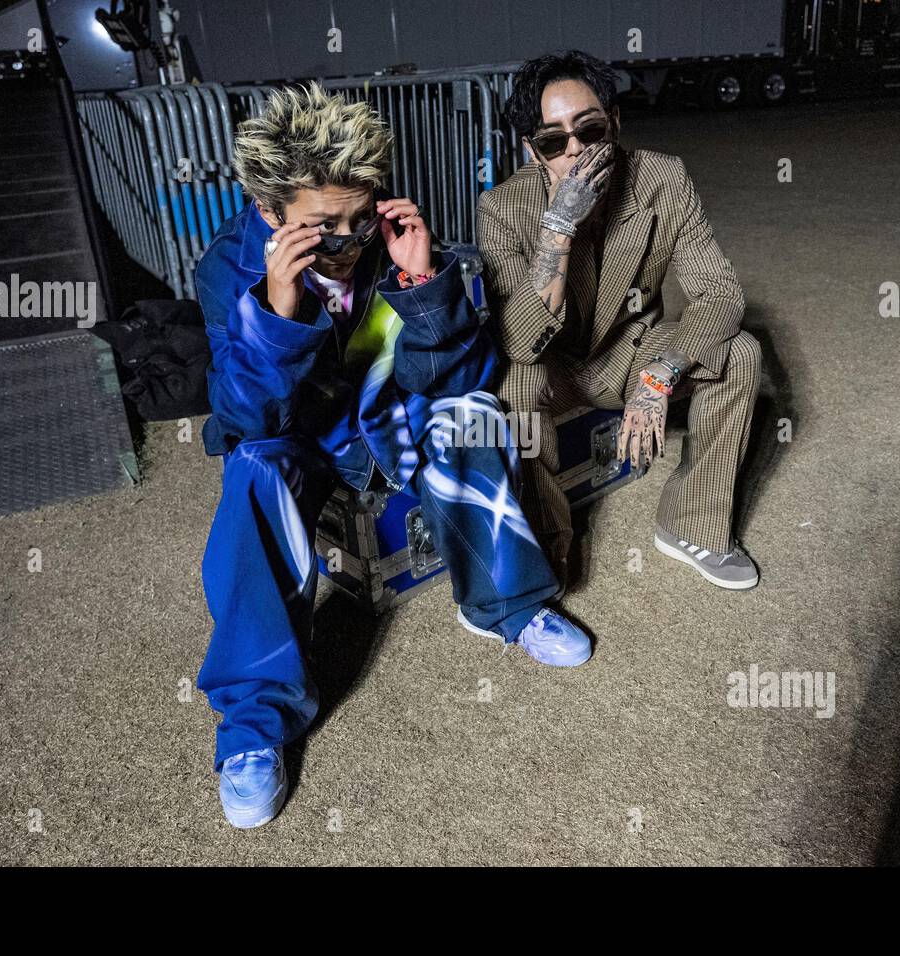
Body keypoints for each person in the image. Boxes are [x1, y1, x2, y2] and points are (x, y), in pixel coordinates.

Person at [195, 82, 593, 829]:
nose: (348, 245)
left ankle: (506, 603)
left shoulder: (391, 239)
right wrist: (277, 315)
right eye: (322, 228)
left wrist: (421, 281)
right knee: (250, 472)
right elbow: (245, 417)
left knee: (474, 414)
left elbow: (465, 378)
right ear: (269, 212)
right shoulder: (226, 269)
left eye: (359, 218)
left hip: (385, 419)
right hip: (300, 439)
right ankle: (255, 723)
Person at [477, 50, 763, 595]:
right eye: (554, 141)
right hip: (554, 367)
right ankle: (549, 548)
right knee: (512, 385)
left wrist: (660, 375)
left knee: (742, 353)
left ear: (614, 122)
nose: (577, 150)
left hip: (634, 352)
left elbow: (720, 294)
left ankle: (691, 525)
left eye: (589, 129)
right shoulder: (501, 207)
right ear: (533, 152)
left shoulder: (663, 178)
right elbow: (517, 340)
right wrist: (558, 227)